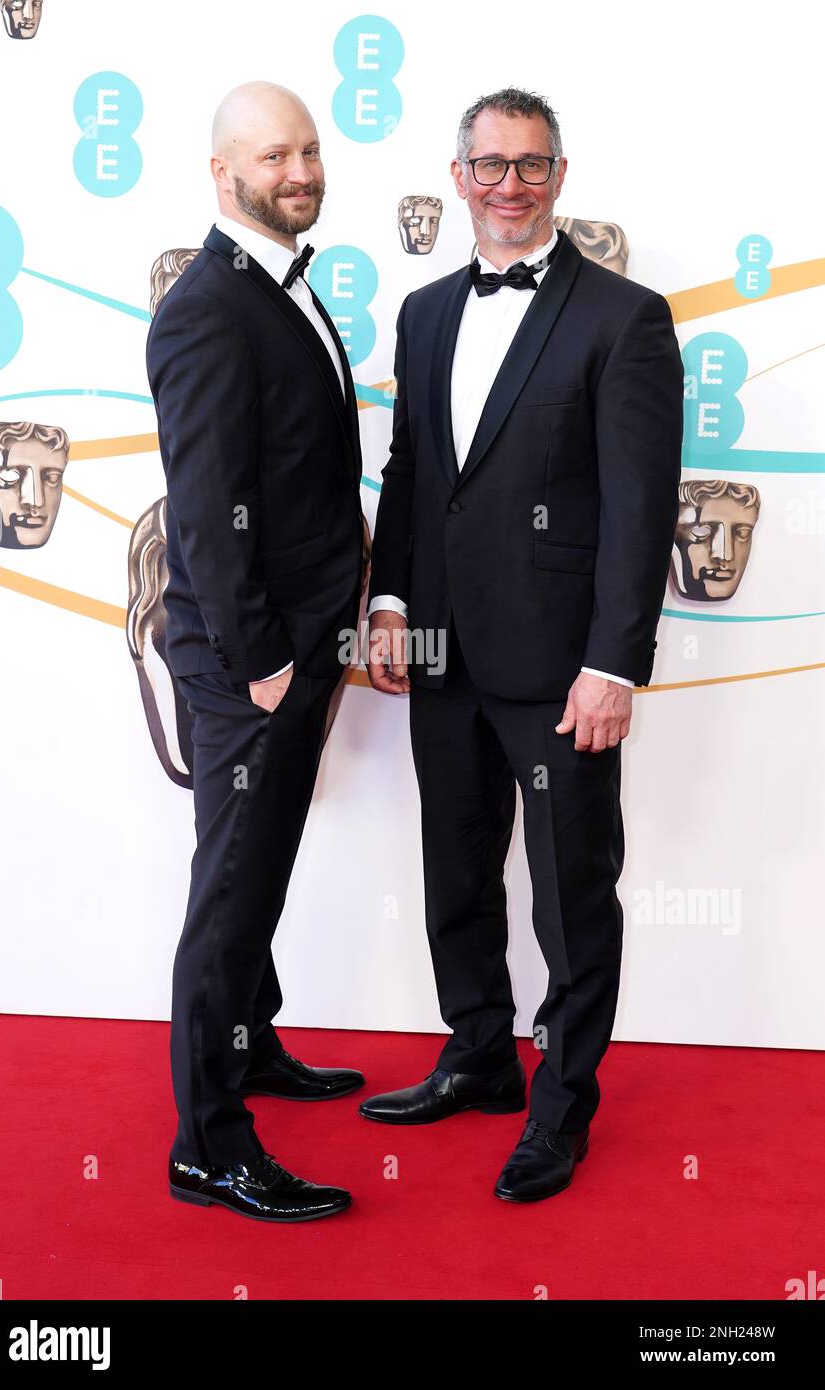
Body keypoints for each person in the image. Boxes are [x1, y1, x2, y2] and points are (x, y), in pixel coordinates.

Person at [362, 87, 684, 1203]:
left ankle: (561, 1106)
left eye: (531, 165)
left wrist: (614, 662)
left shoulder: (622, 317)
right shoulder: (423, 310)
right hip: (440, 650)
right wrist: (392, 598)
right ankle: (479, 1054)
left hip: (558, 667)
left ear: (558, 176)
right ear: (457, 177)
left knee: (566, 892)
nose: (509, 184)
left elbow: (642, 507)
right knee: (455, 869)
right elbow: (412, 473)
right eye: (489, 164)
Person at [146, 81, 365, 1223]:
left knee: (260, 866)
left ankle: (250, 1040)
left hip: (300, 646)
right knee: (229, 894)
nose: (298, 169)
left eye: (309, 149)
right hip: (252, 664)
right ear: (223, 174)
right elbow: (206, 508)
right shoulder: (206, 308)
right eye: (273, 154)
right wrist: (262, 661)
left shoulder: (274, 283)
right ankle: (208, 1141)